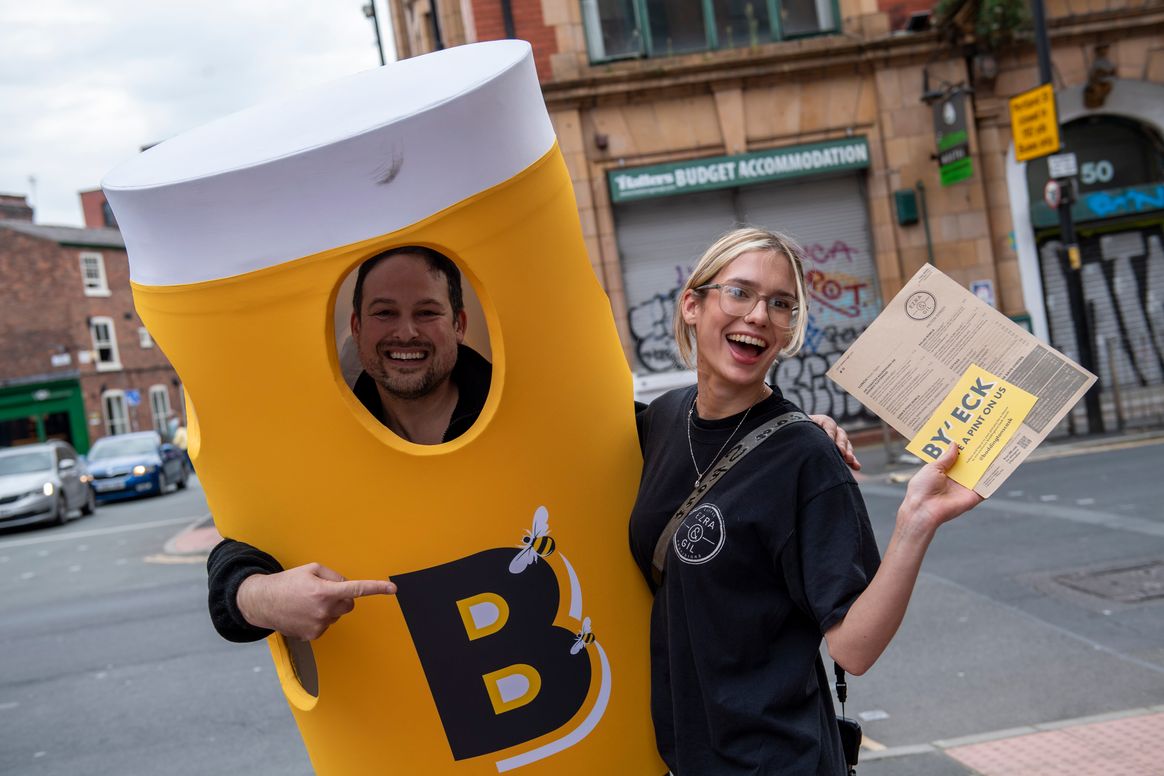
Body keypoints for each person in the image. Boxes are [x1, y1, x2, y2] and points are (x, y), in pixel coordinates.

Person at [207, 244, 860, 644]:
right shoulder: (323, 442)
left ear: (459, 324)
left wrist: (806, 431)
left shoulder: (547, 415)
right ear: (356, 325)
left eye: (427, 312)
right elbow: (233, 564)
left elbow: (702, 433)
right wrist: (266, 599)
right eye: (384, 312)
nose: (405, 332)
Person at [628, 227, 981, 774]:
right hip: (686, 758)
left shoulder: (805, 457)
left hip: (776, 759)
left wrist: (917, 521)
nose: (759, 316)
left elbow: (854, 648)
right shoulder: (662, 421)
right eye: (740, 292)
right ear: (692, 305)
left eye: (781, 304)